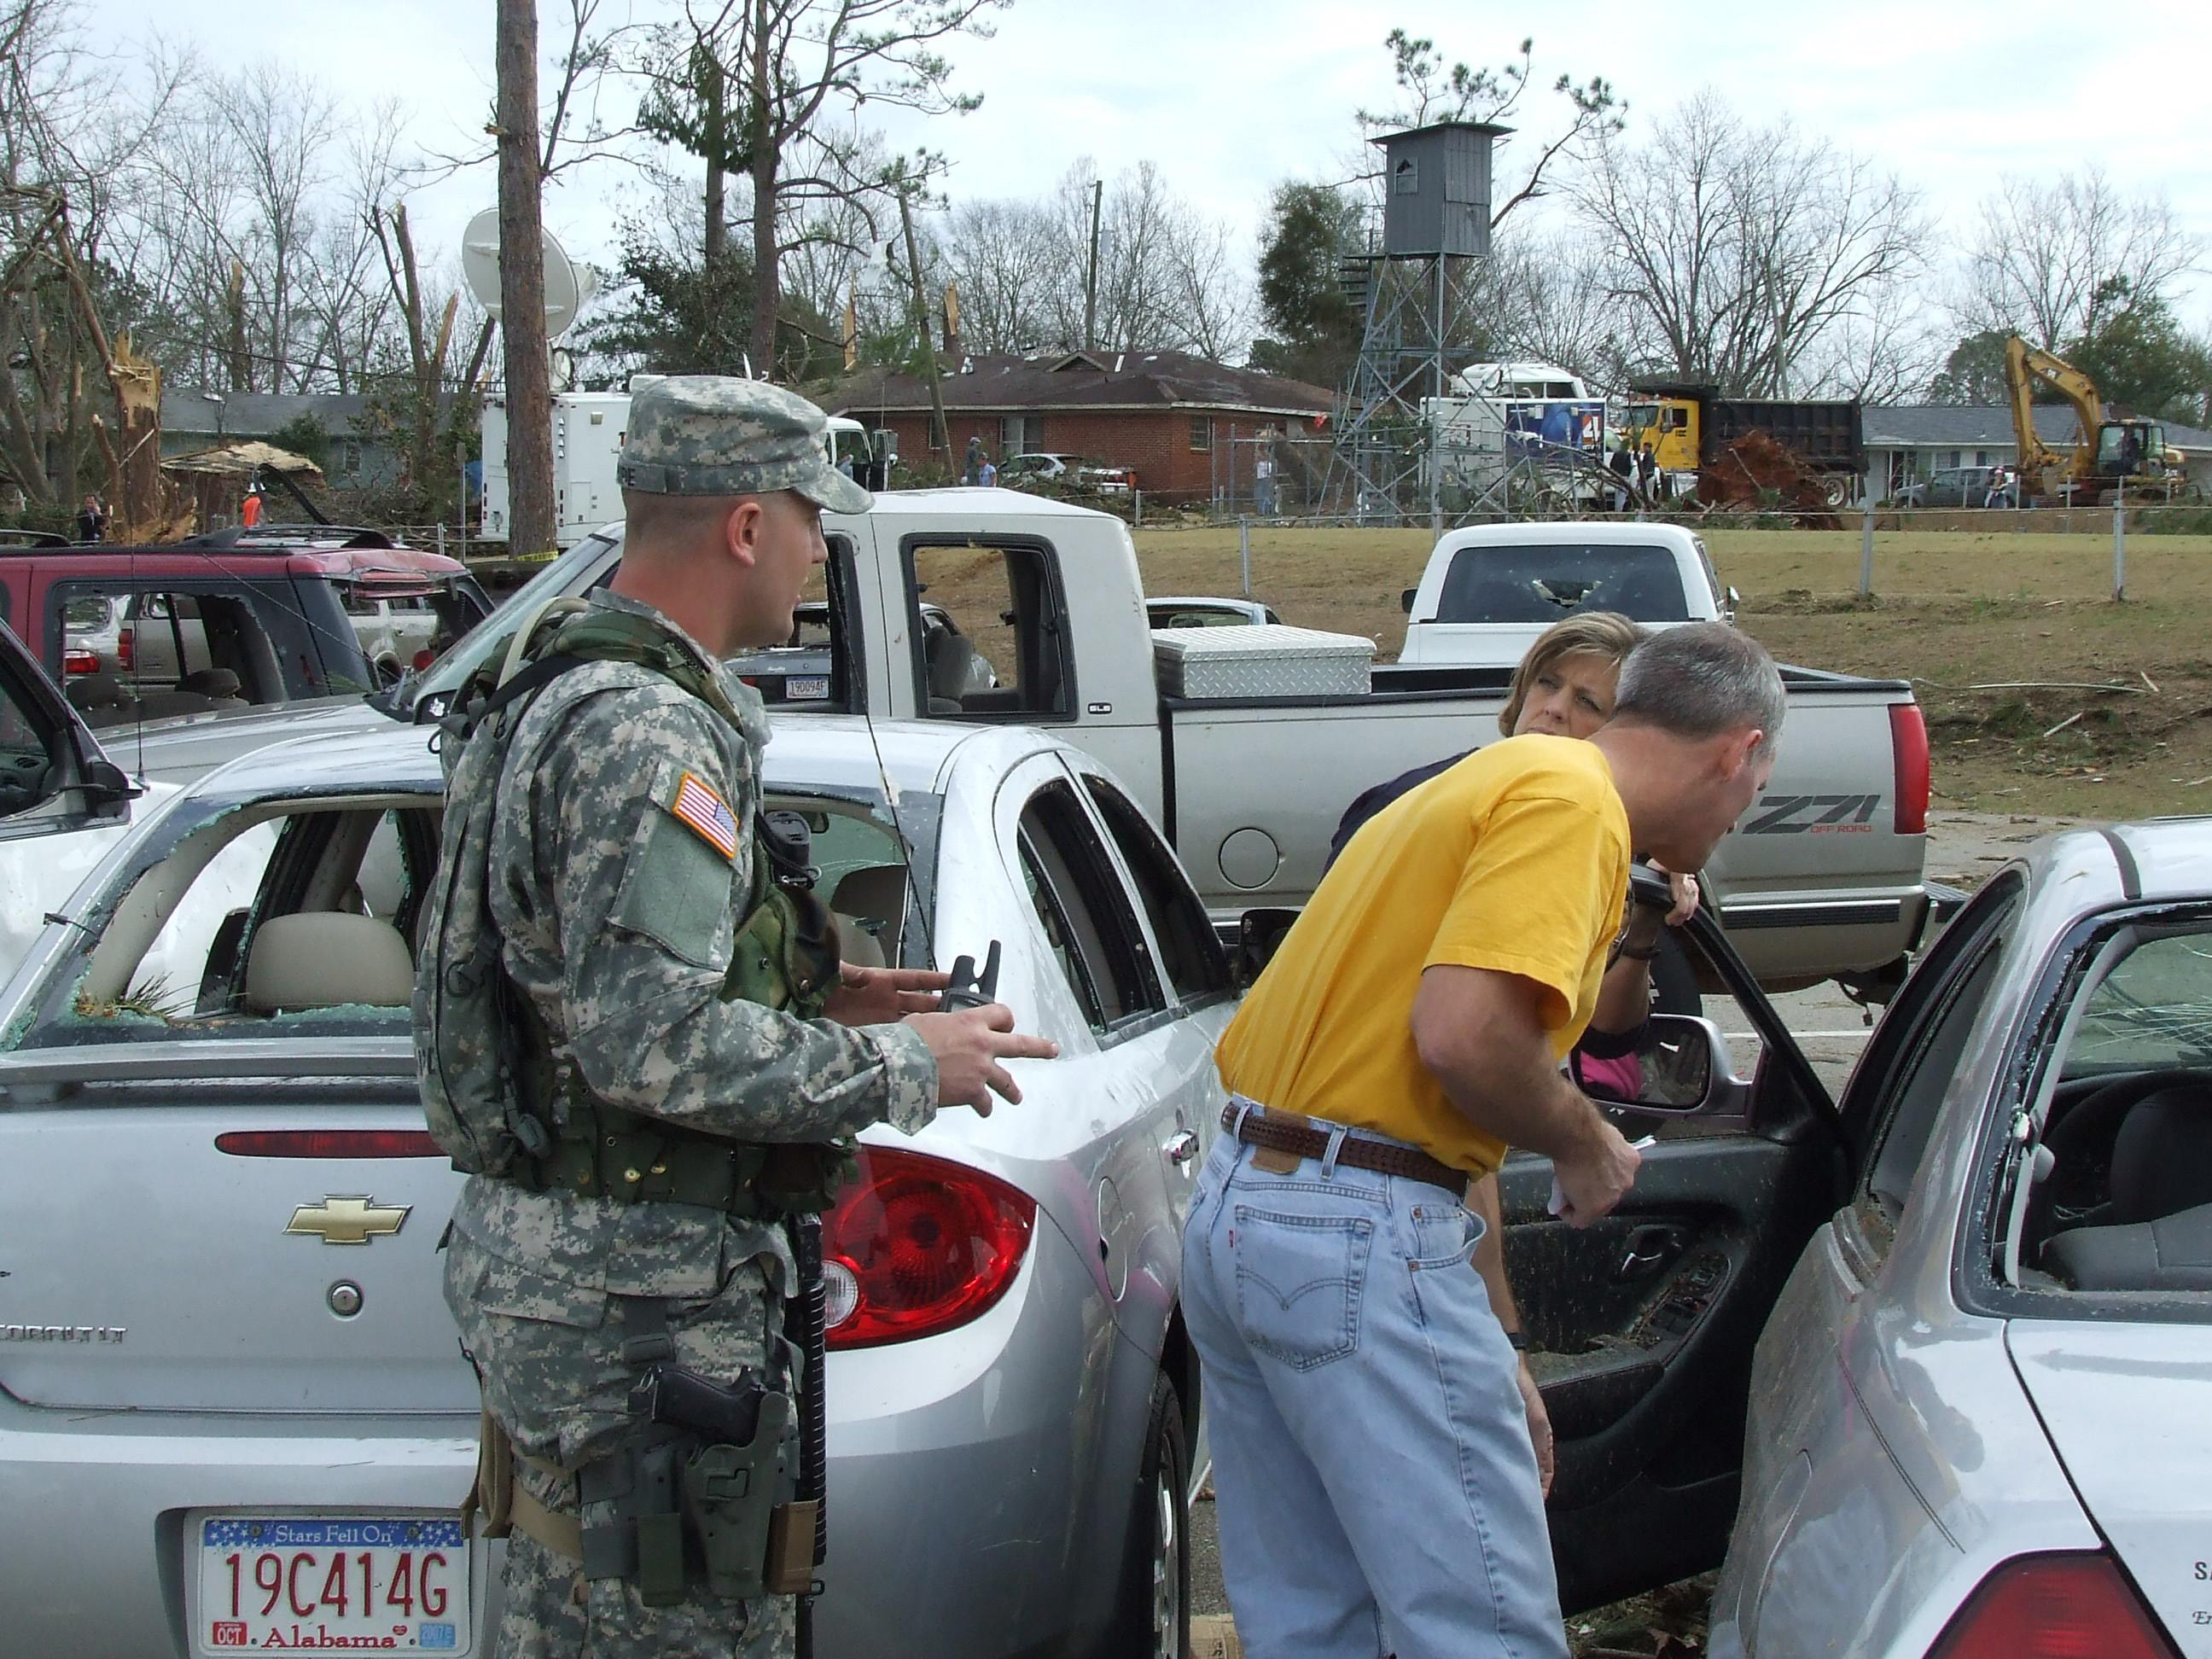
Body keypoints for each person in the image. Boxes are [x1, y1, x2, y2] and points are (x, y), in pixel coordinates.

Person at [416, 375, 1058, 1659]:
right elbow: (647, 1041)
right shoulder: (645, 731)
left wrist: (808, 990)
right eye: (813, 520)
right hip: (636, 1313)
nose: (821, 552)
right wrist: (898, 1064)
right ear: (747, 526)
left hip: (594, 1294)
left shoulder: (567, 683)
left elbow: (581, 980)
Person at [1182, 620, 1782, 1658]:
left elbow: (1432, 1098)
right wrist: (1587, 1141)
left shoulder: (1492, 776)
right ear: (1741, 752)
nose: (1744, 811)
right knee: (1483, 1631)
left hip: (1246, 1201)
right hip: (1354, 1225)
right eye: (1758, 788)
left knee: (1314, 1623)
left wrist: (1495, 1342)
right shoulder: (1576, 804)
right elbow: (1465, 1037)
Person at [1607, 438, 1635, 510]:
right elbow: (1629, 466)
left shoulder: (1616, 453)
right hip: (1624, 476)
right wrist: (1628, 474)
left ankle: (1617, 509)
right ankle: (1620, 509)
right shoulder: (1628, 454)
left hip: (1617, 476)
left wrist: (1614, 472)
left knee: (1617, 494)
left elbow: (1611, 464)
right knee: (1623, 494)